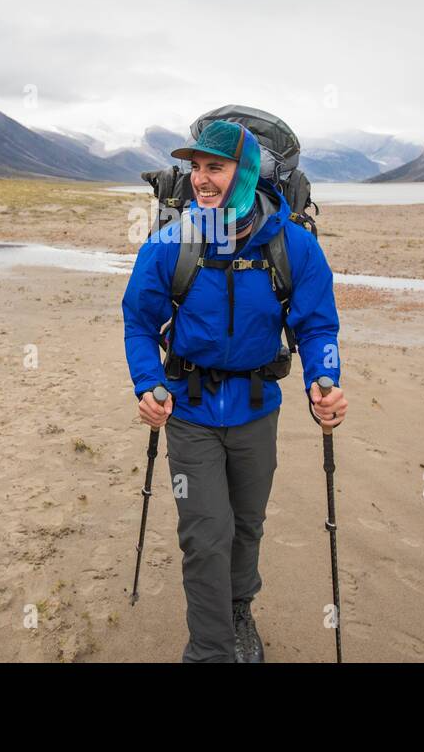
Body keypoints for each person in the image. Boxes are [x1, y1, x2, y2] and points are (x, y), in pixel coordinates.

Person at [122, 118, 347, 662]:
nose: (200, 179)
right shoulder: (169, 245)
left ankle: (239, 607)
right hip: (189, 411)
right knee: (205, 535)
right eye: (195, 167)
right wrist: (148, 382)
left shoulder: (293, 246)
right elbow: (138, 322)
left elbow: (316, 326)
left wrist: (326, 378)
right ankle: (211, 649)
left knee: (246, 525)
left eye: (214, 167)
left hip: (255, 410)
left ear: (244, 173)